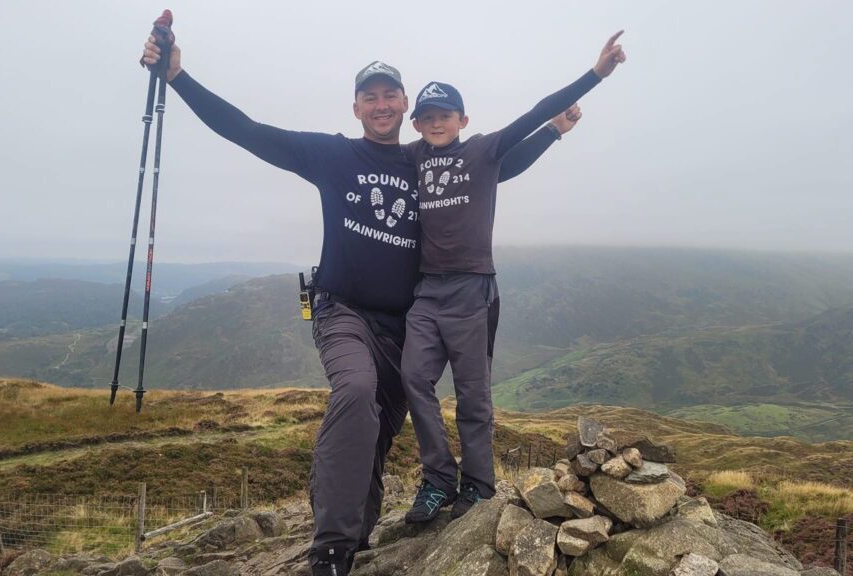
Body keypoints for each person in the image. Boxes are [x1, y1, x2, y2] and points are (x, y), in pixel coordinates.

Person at [141, 27, 581, 575]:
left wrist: (554, 132)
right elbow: (249, 132)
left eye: (389, 95)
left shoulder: (425, 163)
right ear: (356, 107)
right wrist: (178, 76)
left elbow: (494, 168)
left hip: (406, 327)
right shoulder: (332, 155)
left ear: (405, 106)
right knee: (354, 391)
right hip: (342, 310)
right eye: (369, 96)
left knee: (372, 437)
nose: (380, 104)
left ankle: (357, 529)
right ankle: (330, 549)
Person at [400, 31, 627, 523]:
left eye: (446, 115)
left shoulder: (481, 150)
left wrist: (592, 79)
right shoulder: (411, 158)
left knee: (473, 395)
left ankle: (478, 486)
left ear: (464, 120)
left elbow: (531, 119)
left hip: (472, 290)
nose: (437, 123)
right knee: (412, 379)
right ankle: (438, 478)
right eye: (427, 117)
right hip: (426, 293)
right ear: (415, 124)